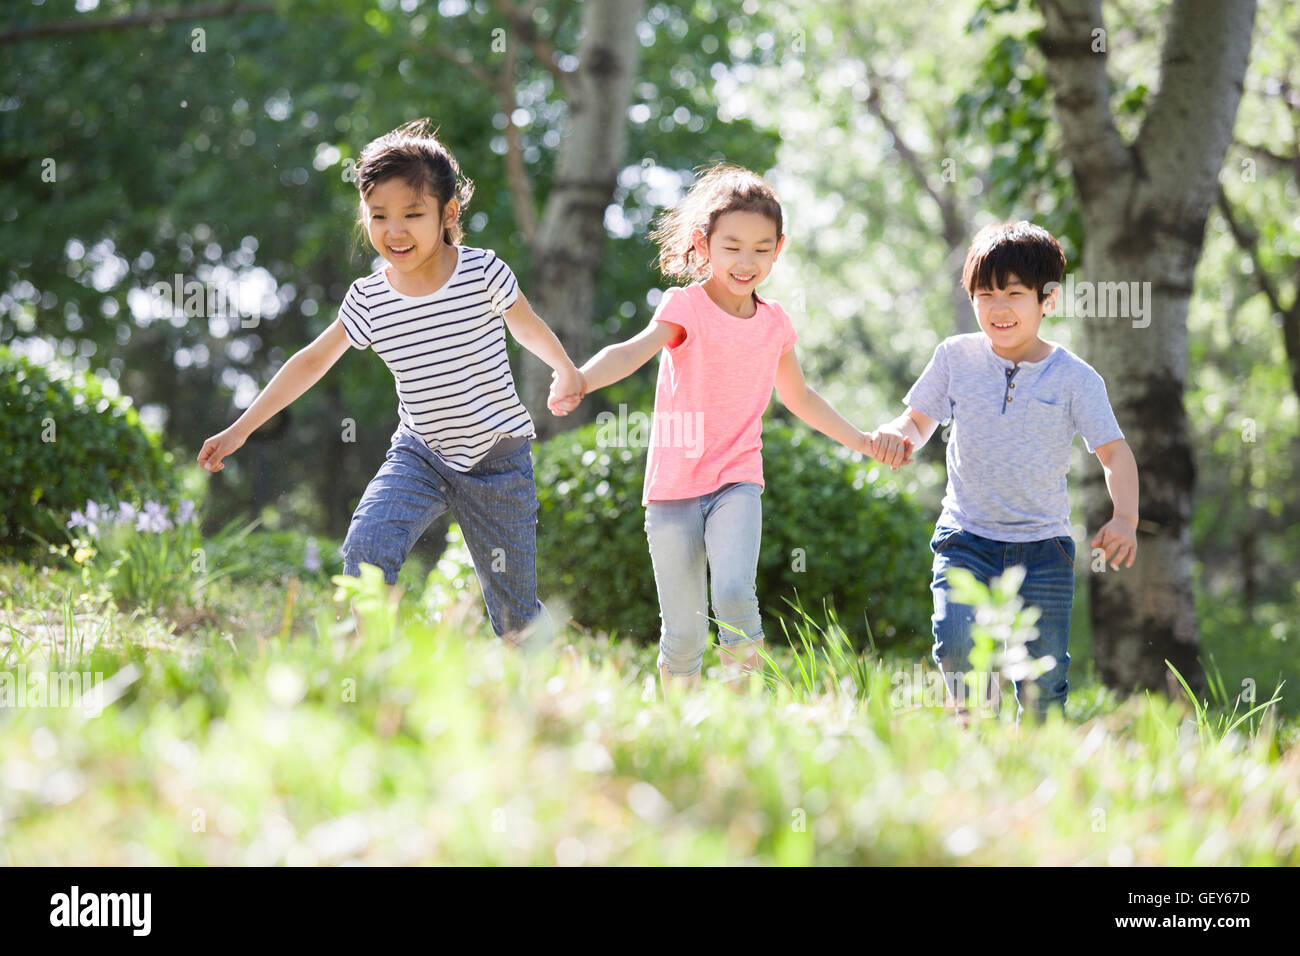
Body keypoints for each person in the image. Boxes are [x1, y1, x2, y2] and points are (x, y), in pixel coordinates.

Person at [198, 118, 582, 645]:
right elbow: (312, 361)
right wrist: (241, 429)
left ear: (447, 214)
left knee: (514, 614)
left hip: (497, 460)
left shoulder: (482, 273)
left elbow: (526, 325)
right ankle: (375, 664)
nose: (394, 231)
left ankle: (544, 697)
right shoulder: (369, 299)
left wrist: (565, 368)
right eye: (378, 215)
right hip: (420, 453)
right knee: (366, 550)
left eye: (412, 215)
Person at [549, 163, 892, 697]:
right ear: (703, 244)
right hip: (672, 489)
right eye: (732, 246)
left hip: (737, 478)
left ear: (779, 250)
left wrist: (865, 442)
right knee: (683, 634)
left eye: (760, 248)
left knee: (734, 592)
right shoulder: (685, 306)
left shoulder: (775, 322)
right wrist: (580, 379)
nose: (746, 261)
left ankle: (741, 711)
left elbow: (799, 397)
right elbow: (634, 351)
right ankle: (678, 723)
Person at [871, 221, 1139, 723]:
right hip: (965, 538)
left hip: (1043, 548)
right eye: (985, 293)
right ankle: (973, 751)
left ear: (1047, 300)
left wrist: (1124, 518)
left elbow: (1114, 454)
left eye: (1014, 293)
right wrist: (897, 434)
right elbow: (917, 421)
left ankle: (1039, 765)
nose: (998, 308)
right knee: (956, 649)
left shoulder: (1076, 378)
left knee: (1042, 679)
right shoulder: (955, 358)